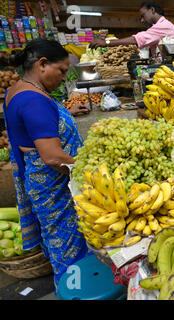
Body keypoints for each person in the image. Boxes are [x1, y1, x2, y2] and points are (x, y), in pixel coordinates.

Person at [3, 39, 90, 291]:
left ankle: (69, 290)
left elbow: (36, 129)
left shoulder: (17, 91)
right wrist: (90, 172)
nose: (64, 78)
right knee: (69, 249)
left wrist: (64, 116)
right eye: (61, 71)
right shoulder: (34, 100)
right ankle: (77, 293)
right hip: (56, 189)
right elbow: (52, 156)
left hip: (41, 187)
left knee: (58, 244)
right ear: (42, 64)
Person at [89, 2, 174, 59]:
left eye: (143, 16)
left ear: (152, 10)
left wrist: (106, 43)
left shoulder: (163, 26)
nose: (142, 20)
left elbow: (136, 39)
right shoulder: (160, 25)